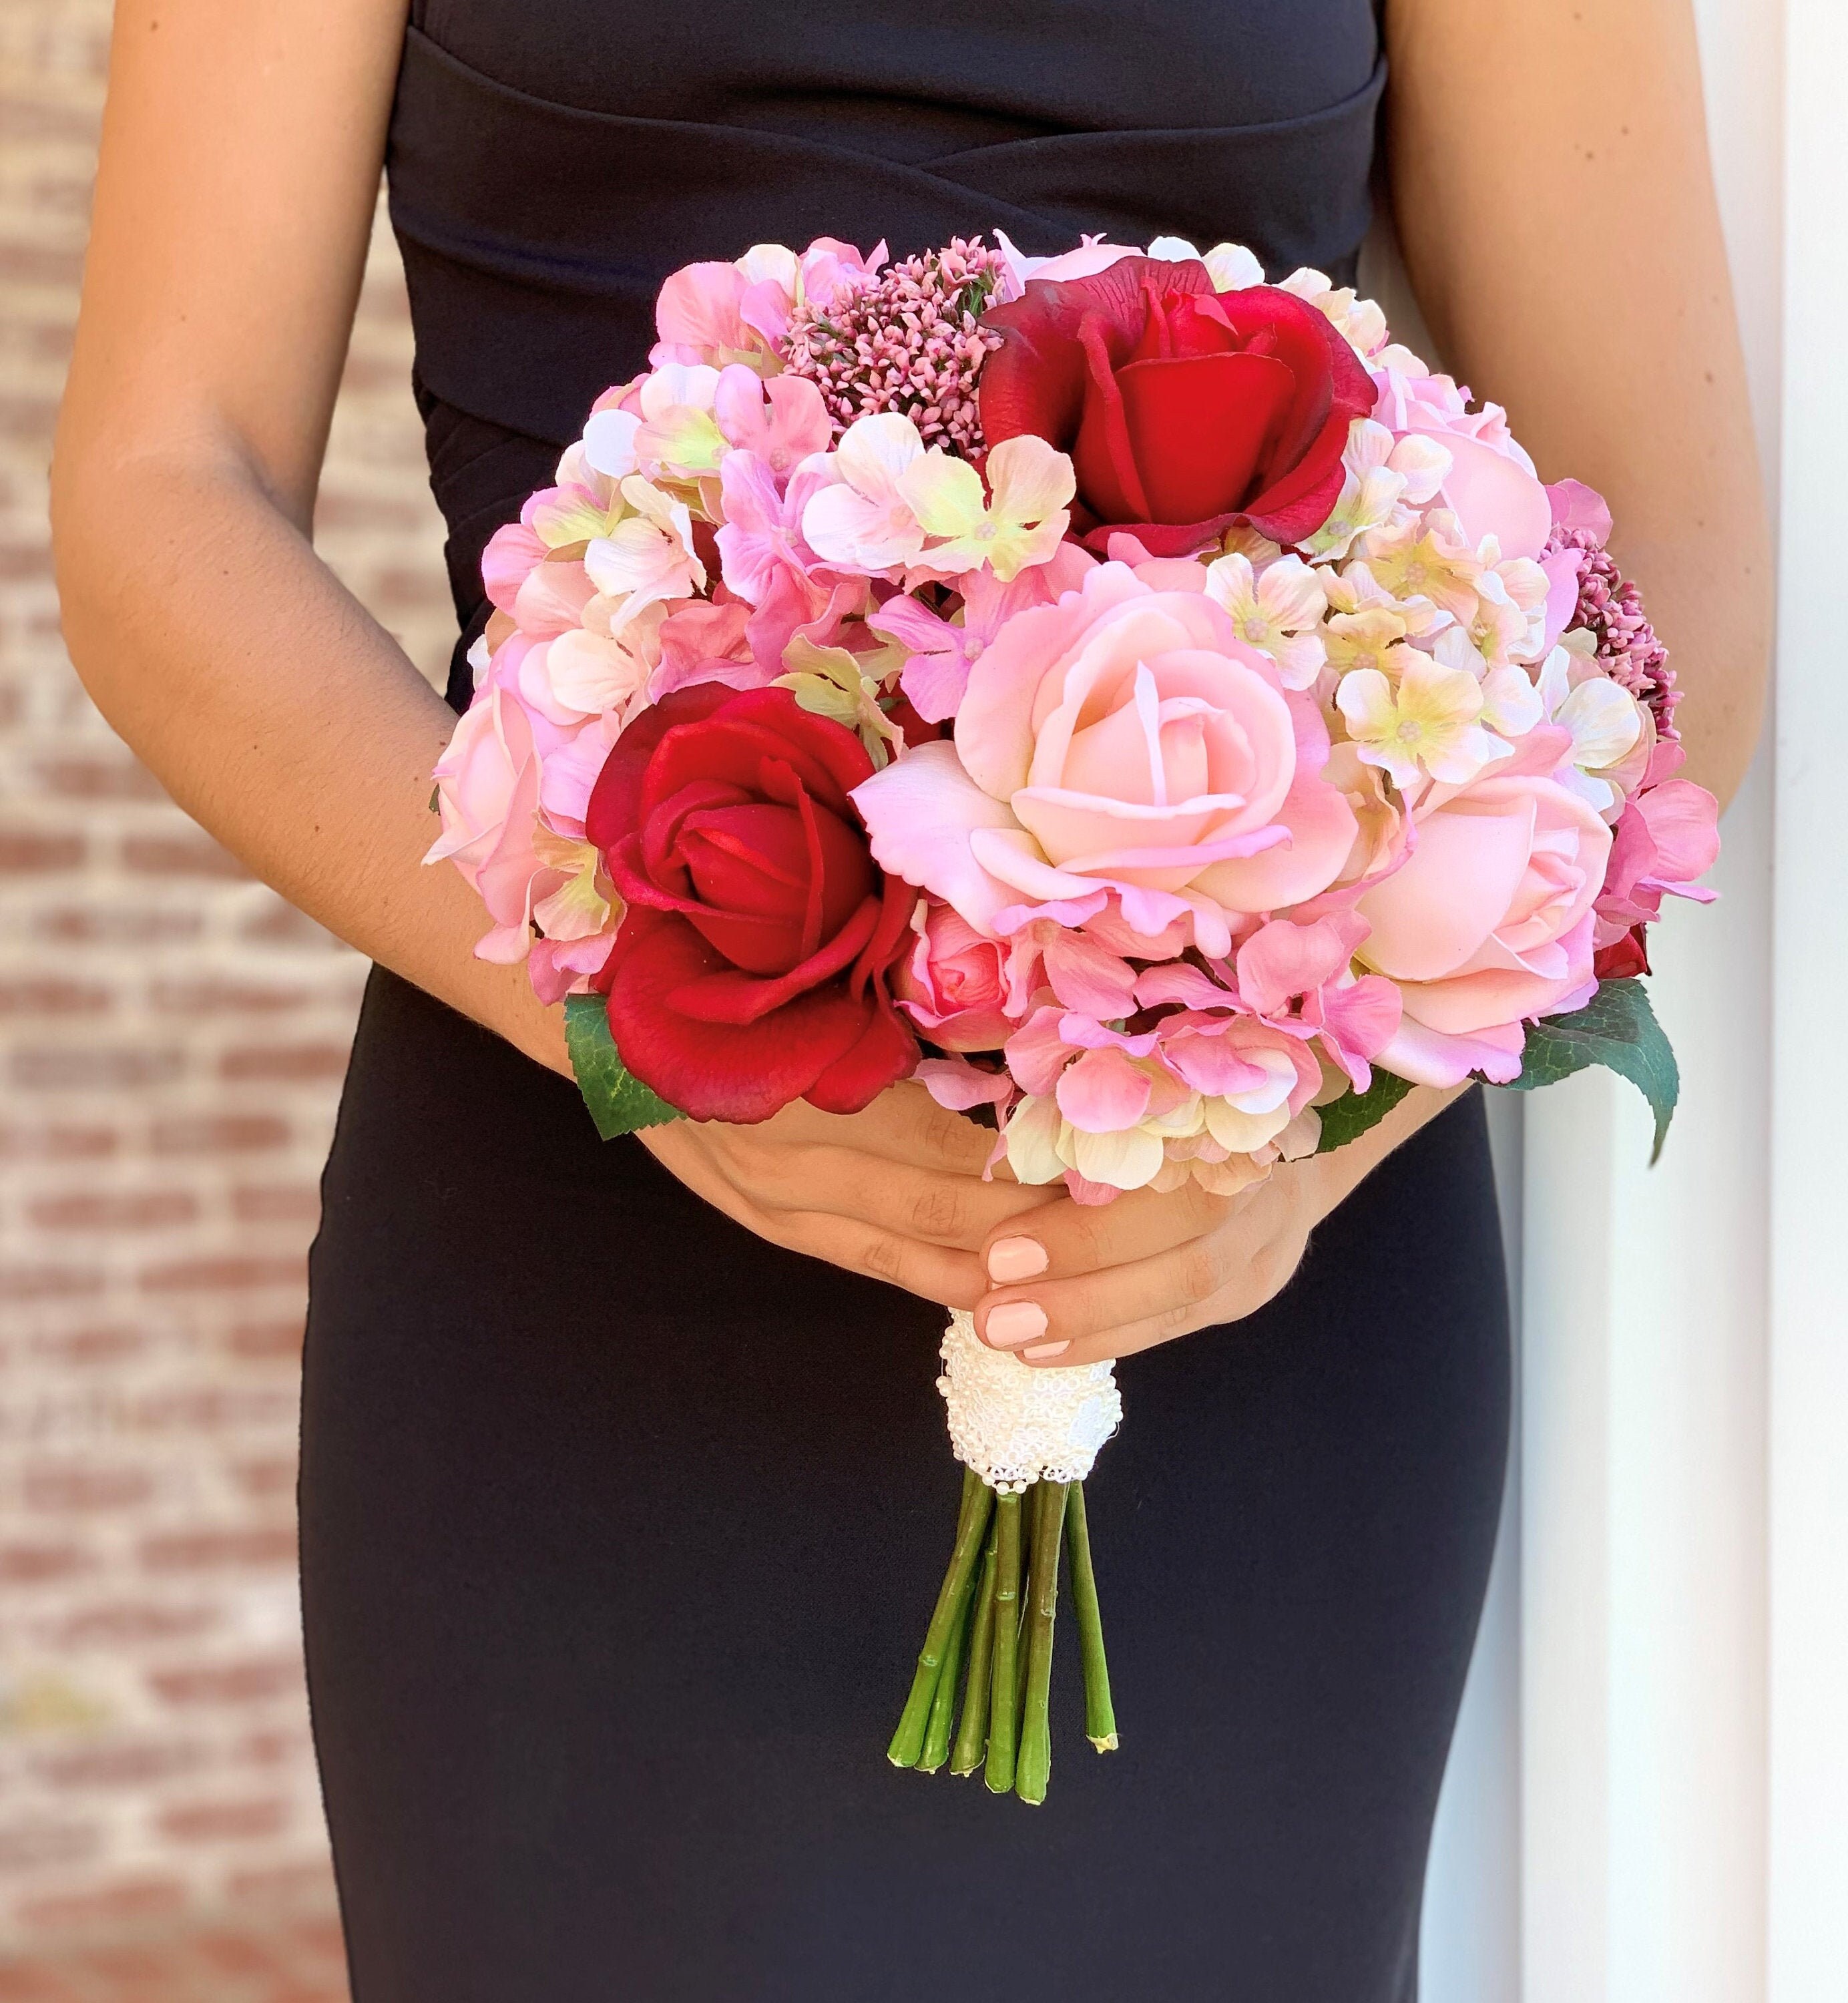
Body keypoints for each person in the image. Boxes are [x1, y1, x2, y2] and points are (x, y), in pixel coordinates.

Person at [53, 2, 1769, 1996]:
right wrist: (645, 1015)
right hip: (577, 1230)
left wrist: (1296, 1144)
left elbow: (1677, 577)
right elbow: (162, 483)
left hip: (1225, 1271)